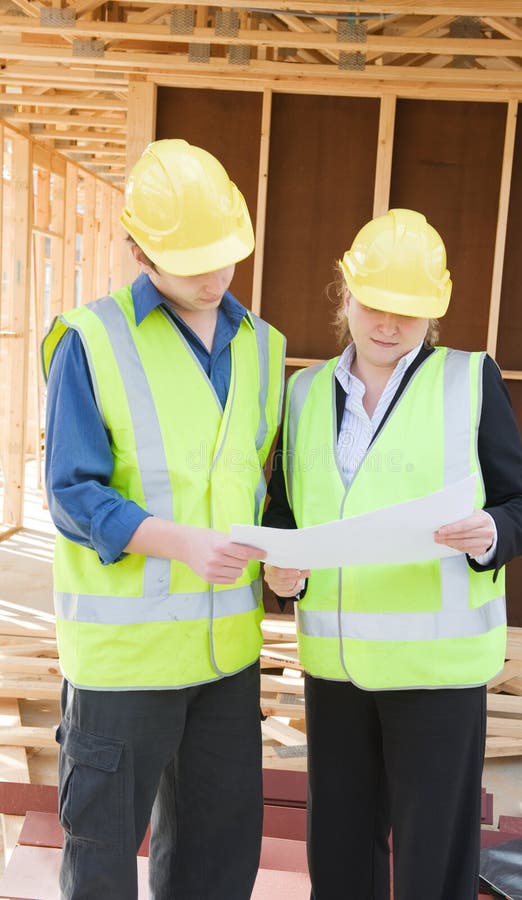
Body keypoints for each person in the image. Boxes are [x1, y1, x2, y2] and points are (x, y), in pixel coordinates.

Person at [263, 208, 522, 900]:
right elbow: (284, 515)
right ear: (346, 296)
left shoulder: (469, 381)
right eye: (374, 306)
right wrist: (280, 574)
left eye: (408, 315)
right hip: (336, 669)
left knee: (432, 852)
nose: (387, 326)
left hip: (435, 671)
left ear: (433, 316)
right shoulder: (302, 394)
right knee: (339, 842)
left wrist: (490, 534)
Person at [41, 139, 286, 900]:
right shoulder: (92, 340)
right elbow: (73, 493)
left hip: (225, 659)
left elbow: (254, 486)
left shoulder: (262, 346)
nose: (215, 276)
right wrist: (181, 543)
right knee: (104, 856)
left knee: (218, 856)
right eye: (192, 260)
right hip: (127, 659)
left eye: (226, 257)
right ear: (142, 251)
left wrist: (282, 554)